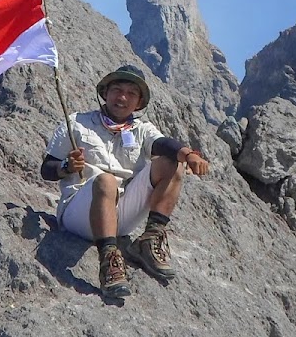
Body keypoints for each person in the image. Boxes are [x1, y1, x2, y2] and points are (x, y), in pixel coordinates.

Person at [40, 65, 209, 298]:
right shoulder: (77, 123)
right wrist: (65, 167)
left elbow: (163, 145)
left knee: (172, 163)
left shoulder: (142, 130)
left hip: (121, 215)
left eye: (131, 93)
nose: (122, 97)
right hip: (79, 213)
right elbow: (47, 168)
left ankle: (149, 240)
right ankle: (109, 260)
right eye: (117, 90)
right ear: (105, 93)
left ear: (139, 103)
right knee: (106, 181)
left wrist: (188, 154)